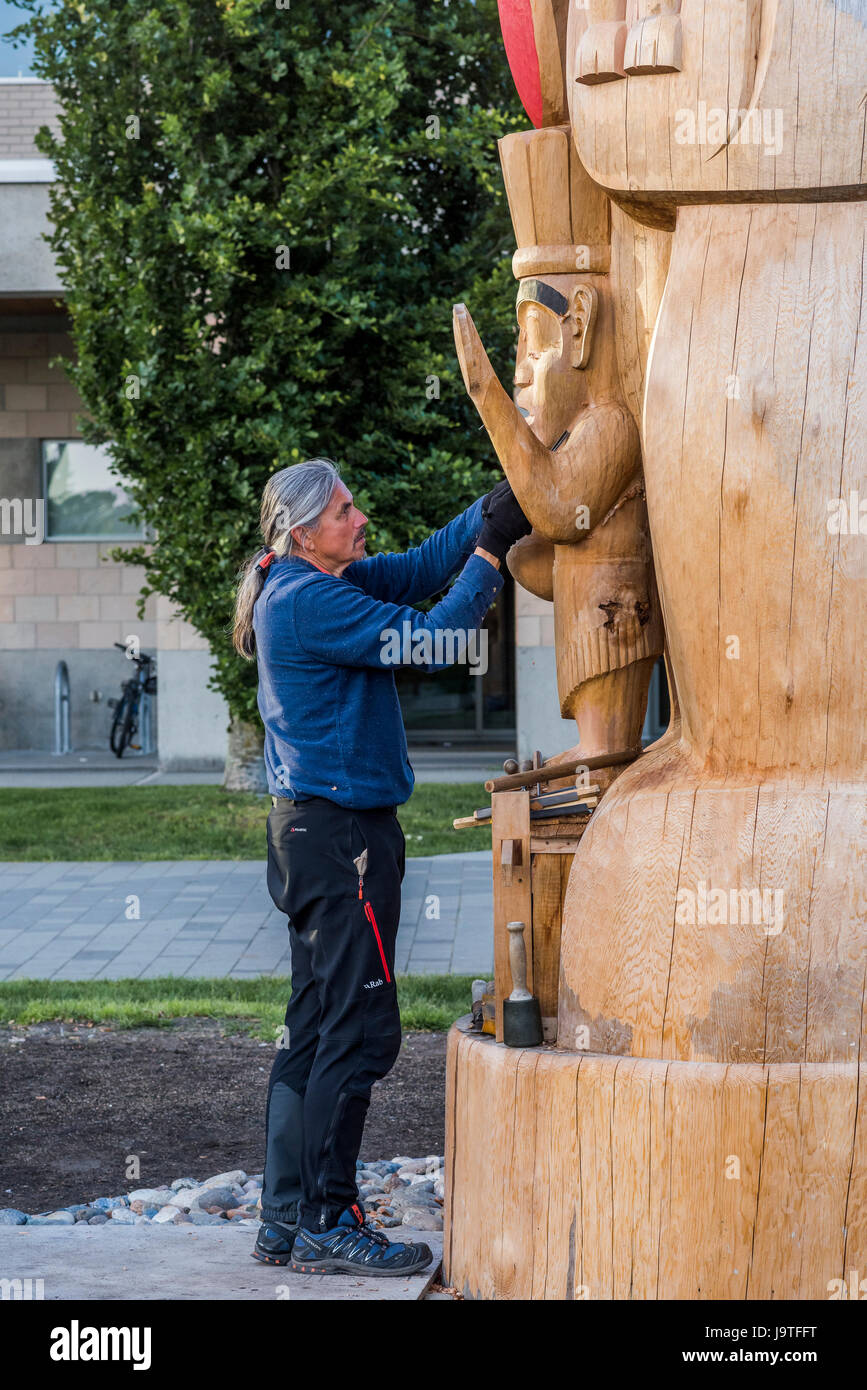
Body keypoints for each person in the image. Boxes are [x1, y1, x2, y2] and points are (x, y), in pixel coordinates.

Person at [232, 456, 531, 1277]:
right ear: (302, 532)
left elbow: (418, 568)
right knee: (360, 1031)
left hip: (313, 835)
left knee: (312, 1030)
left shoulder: (316, 580)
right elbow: (434, 641)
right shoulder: (308, 601)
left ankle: (284, 1221)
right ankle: (328, 1217)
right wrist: (492, 556)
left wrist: (492, 508)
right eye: (342, 511)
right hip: (343, 842)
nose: (359, 519)